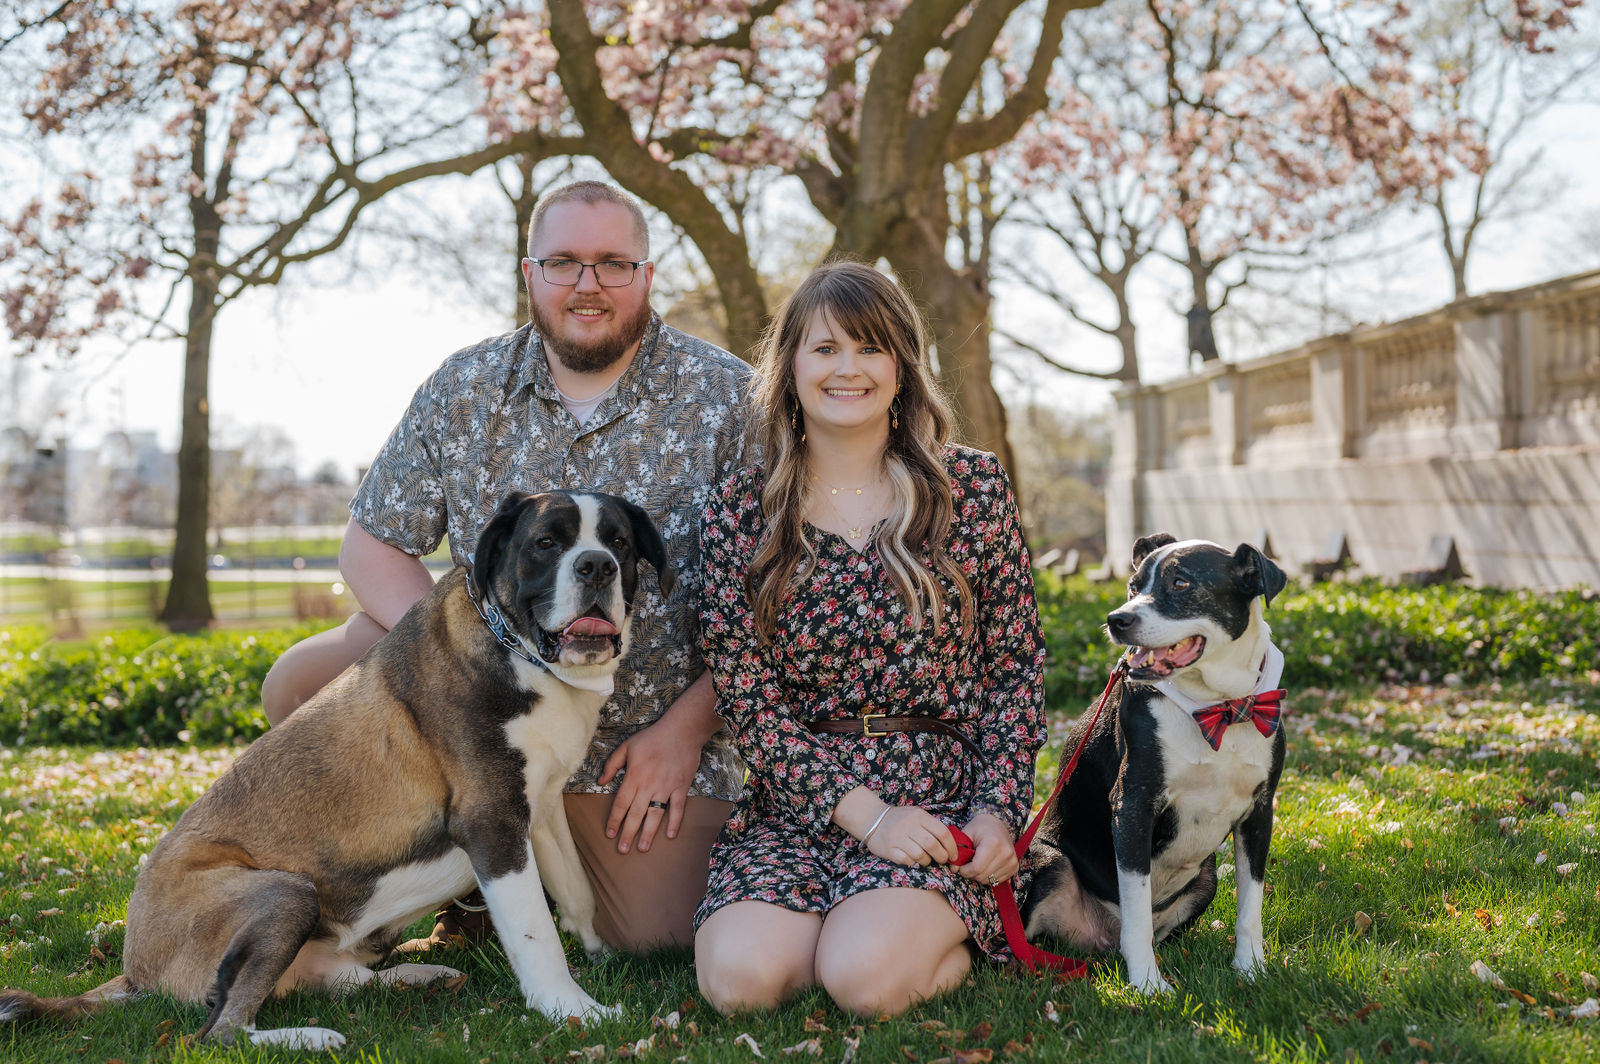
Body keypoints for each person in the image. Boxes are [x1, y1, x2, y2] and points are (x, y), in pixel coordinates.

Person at [259, 180, 753, 952]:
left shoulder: (730, 398)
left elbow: (774, 594)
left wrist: (687, 731)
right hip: (480, 711)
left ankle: (495, 874)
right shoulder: (464, 387)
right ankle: (441, 862)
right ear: (530, 274)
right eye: (563, 262)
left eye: (613, 263)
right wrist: (464, 669)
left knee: (653, 933)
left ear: (647, 275)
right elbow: (371, 543)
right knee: (300, 682)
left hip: (637, 742)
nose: (588, 284)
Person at [692, 261, 1046, 1017]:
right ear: (790, 367)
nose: (847, 368)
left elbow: (1015, 669)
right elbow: (748, 699)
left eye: (870, 347)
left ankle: (934, 937)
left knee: (864, 981)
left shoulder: (972, 489)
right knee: (741, 985)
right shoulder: (739, 510)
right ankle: (848, 926)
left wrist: (995, 811)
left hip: (938, 794)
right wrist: (865, 817)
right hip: (801, 797)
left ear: (902, 365)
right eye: (825, 349)